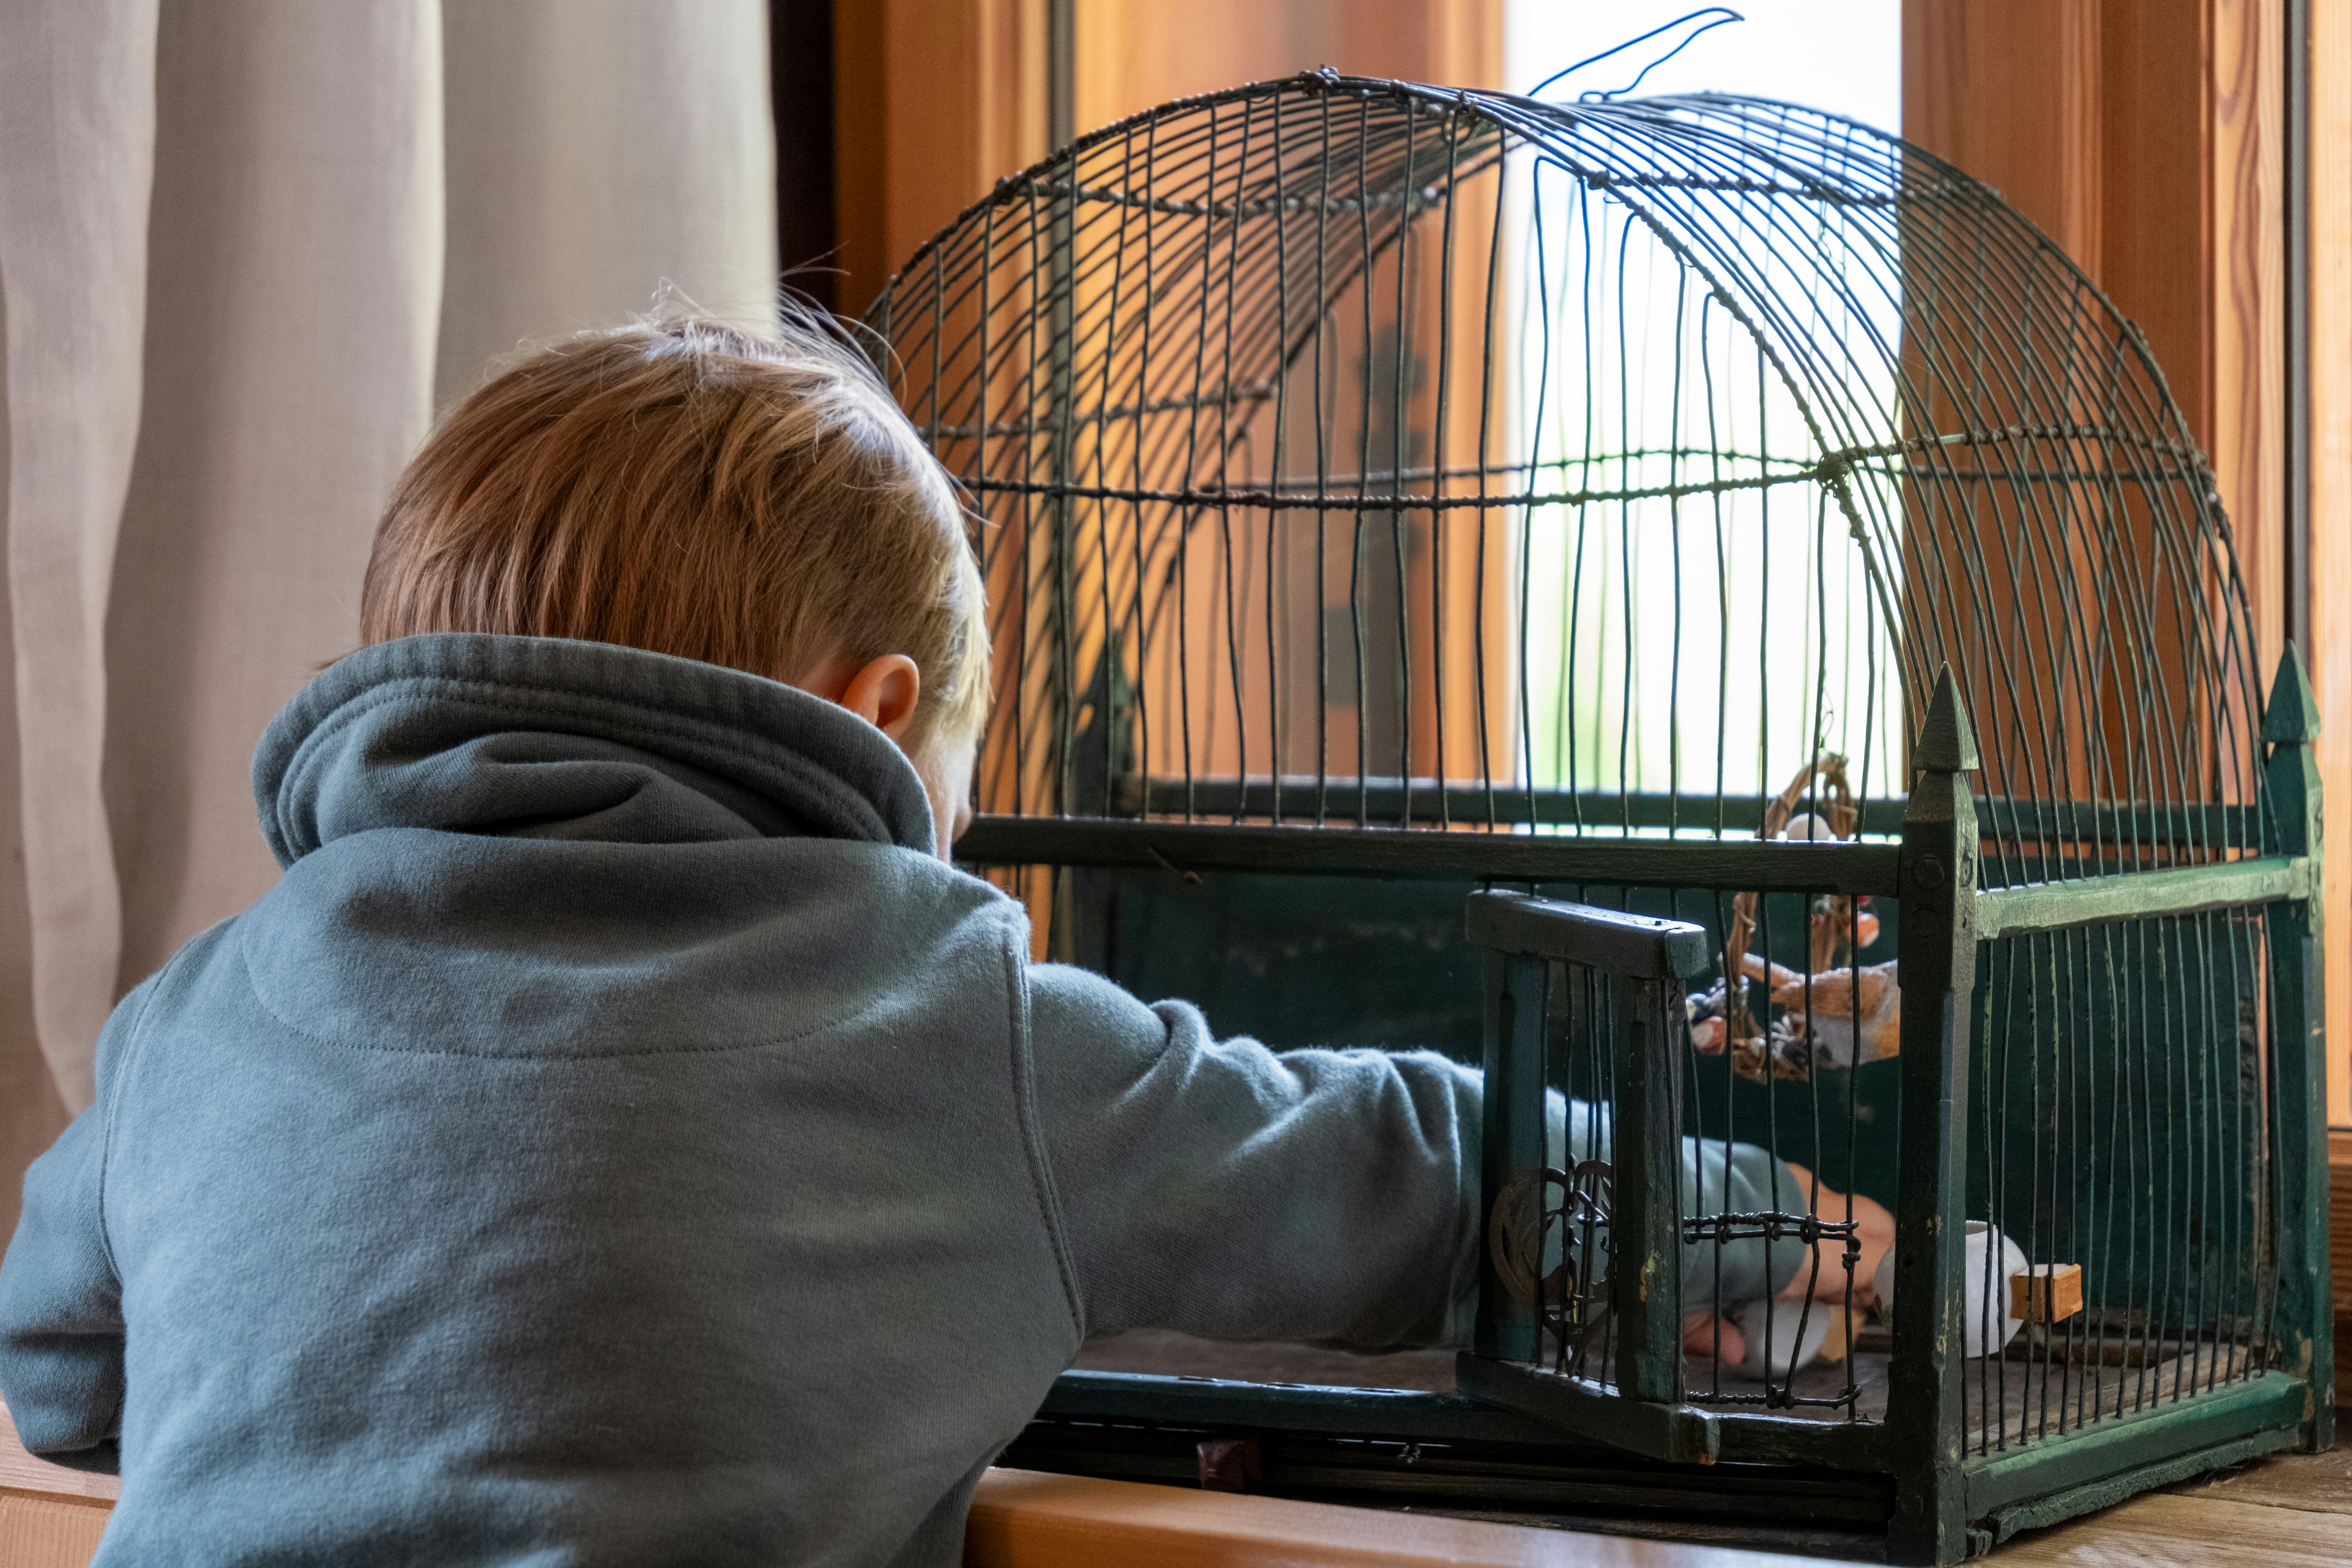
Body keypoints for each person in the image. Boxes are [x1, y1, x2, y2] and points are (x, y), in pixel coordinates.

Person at [0, 312, 1890, 1566]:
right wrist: (1739, 1201)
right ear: (879, 714)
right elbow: (1407, 1166)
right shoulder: (942, 1014)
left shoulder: (205, 1009)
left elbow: (60, 1378)